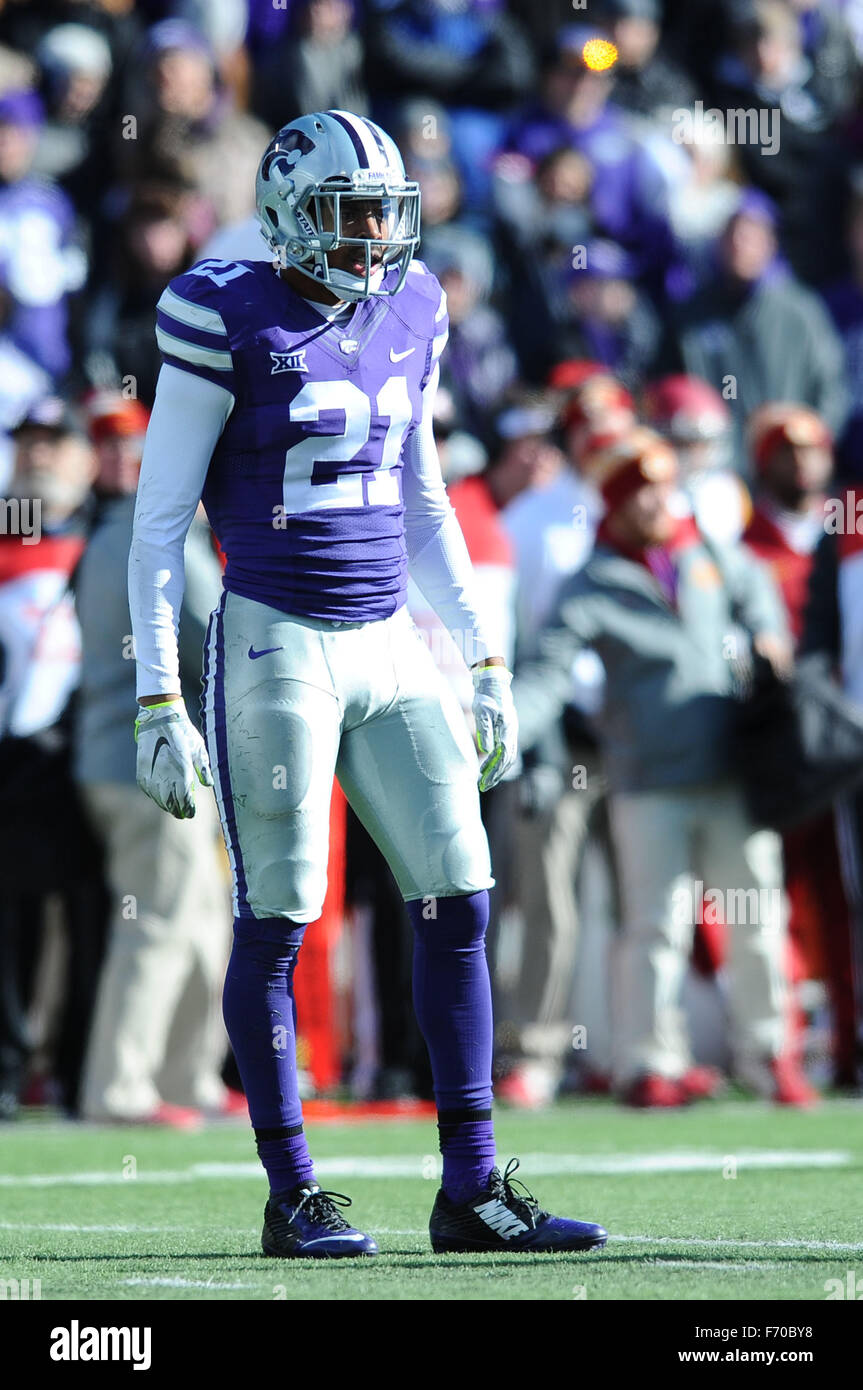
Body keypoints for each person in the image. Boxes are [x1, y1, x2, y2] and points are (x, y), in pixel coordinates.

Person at [127, 110, 606, 1257]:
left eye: (385, 217)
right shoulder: (220, 308)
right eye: (348, 216)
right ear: (290, 209)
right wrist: (157, 694)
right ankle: (292, 1192)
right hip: (276, 637)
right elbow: (157, 524)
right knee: (280, 914)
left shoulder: (413, 302)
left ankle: (472, 1188)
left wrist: (481, 654)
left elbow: (424, 495)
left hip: (391, 632)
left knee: (460, 895)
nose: (370, 241)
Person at [514, 427, 814, 1107]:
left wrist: (768, 633)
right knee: (653, 924)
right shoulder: (591, 583)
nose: (659, 504)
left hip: (732, 771)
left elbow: (756, 589)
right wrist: (504, 728)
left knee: (756, 917)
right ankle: (647, 1061)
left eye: (662, 489)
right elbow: (546, 675)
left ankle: (769, 1054)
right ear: (617, 507)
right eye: (642, 494)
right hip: (648, 779)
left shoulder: (703, 551)